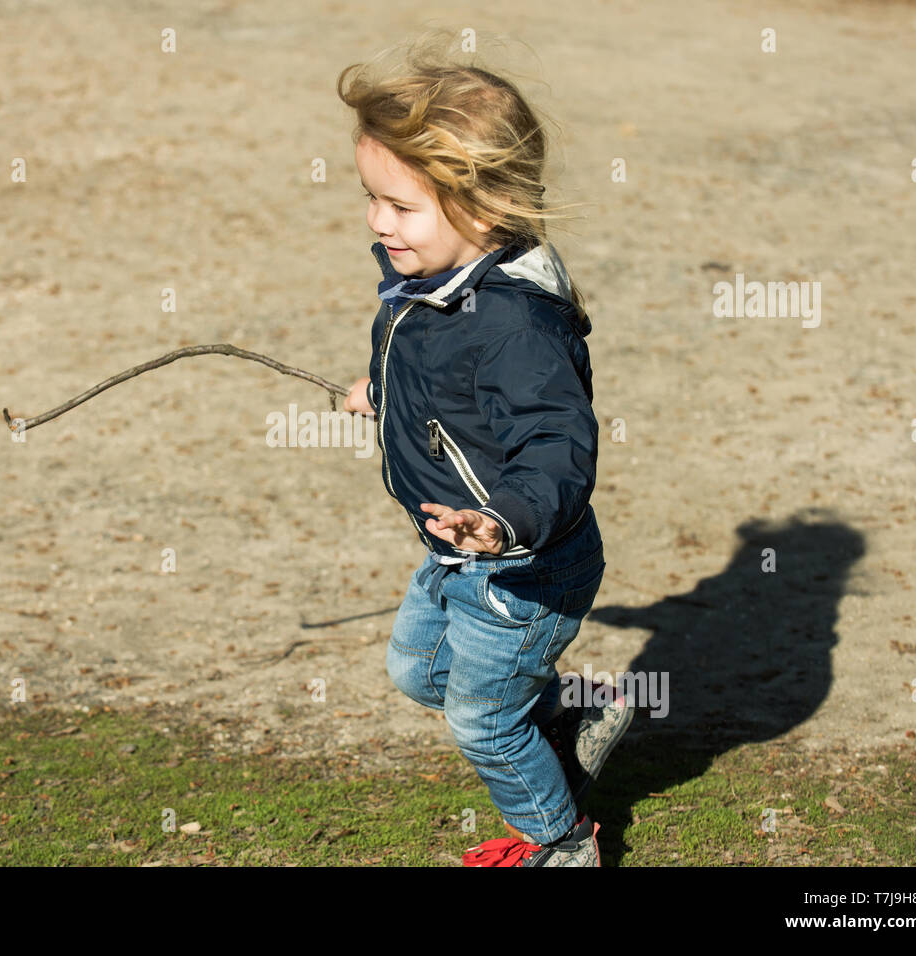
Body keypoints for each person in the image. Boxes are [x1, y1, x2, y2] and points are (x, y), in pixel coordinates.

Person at [337, 40, 633, 867]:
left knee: (482, 718)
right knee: (416, 672)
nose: (376, 221)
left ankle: (562, 841)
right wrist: (381, 391)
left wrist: (504, 522)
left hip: (522, 564)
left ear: (486, 205)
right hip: (457, 550)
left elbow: (555, 444)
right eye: (371, 198)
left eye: (400, 205)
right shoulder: (433, 283)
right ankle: (576, 714)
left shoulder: (513, 325)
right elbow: (434, 372)